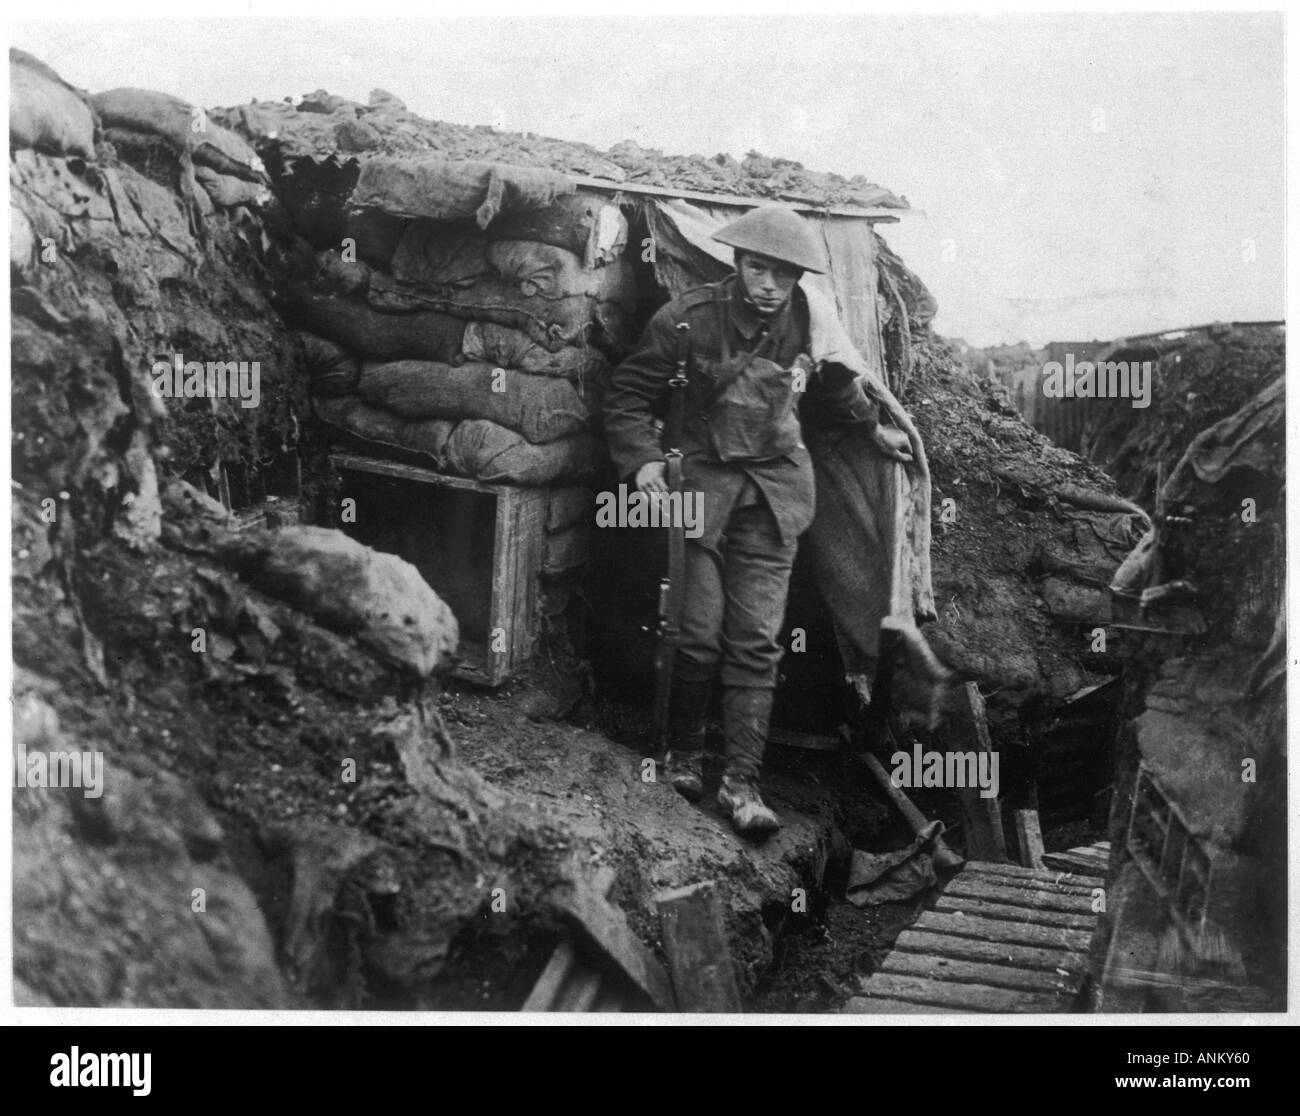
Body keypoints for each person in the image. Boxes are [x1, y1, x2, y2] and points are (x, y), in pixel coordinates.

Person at [604, 205, 913, 837]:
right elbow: (629, 395)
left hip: (774, 496)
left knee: (756, 643)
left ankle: (743, 784)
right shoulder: (686, 319)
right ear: (737, 263)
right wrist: (640, 463)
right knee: (695, 633)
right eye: (757, 267)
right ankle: (683, 755)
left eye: (782, 272)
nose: (768, 284)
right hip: (699, 491)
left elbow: (833, 392)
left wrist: (872, 430)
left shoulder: (809, 321)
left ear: (799, 277)